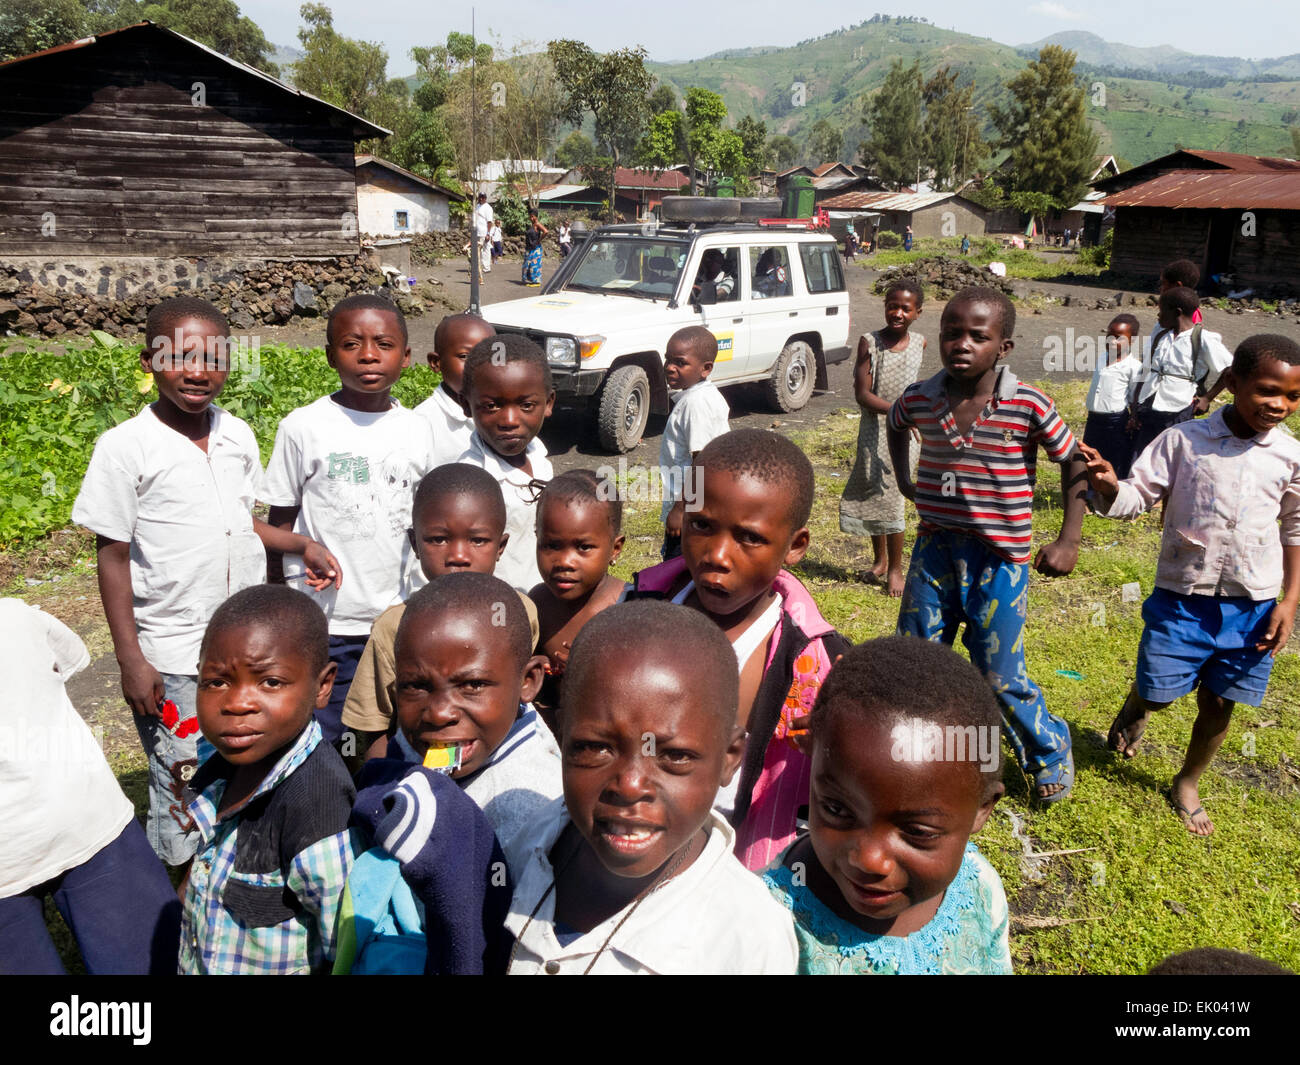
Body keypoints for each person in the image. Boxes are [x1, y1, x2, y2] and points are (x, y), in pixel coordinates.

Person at [71, 296, 339, 871]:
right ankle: (182, 893)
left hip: (238, 646)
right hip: (170, 653)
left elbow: (237, 524)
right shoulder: (125, 447)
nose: (197, 371)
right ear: (149, 361)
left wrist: (299, 543)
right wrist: (130, 659)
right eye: (180, 356)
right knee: (183, 777)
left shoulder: (237, 434)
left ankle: (239, 870)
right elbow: (112, 556)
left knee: (245, 757)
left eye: (212, 356)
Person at [502, 600, 798, 974]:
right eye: (596, 748)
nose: (629, 786)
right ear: (561, 737)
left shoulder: (747, 937)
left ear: (729, 758)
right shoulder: (531, 845)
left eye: (674, 756)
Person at [1080, 334, 1300, 837]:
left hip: (1254, 603)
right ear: (1233, 382)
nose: (1279, 405)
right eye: (1267, 390)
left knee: (1221, 700)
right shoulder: (1183, 441)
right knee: (1160, 691)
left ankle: (1188, 780)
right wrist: (1112, 487)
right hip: (1183, 595)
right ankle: (1142, 701)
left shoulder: (1290, 456)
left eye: (1292, 396)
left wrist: (1289, 600)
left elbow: (1295, 527)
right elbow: (1138, 495)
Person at [887, 286, 1088, 804]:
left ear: (1004, 347)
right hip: (934, 551)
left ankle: (1049, 748)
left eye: (979, 336)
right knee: (917, 661)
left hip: (999, 559)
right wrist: (907, 481)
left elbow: (1074, 460)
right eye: (952, 333)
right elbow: (894, 422)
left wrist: (1068, 538)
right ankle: (923, 755)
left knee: (996, 673)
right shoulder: (920, 397)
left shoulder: (1027, 403)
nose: (962, 344)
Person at [627, 429, 851, 870]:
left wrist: (837, 739)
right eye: (702, 526)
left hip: (733, 864)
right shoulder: (636, 609)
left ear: (795, 546)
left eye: (748, 537)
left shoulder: (813, 664)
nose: (718, 555)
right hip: (629, 839)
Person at [334, 575, 557, 973]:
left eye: (472, 685)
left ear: (528, 681)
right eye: (416, 687)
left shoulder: (530, 807)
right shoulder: (426, 742)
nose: (439, 712)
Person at [763, 636, 1012, 974]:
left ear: (983, 808)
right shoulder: (764, 922)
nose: (869, 860)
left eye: (916, 831)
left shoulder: (980, 890)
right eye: (837, 810)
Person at [262, 295, 436, 743]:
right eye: (351, 344)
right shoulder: (303, 427)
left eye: (384, 343)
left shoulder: (418, 431)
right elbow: (278, 523)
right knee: (330, 735)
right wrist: (281, 606)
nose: (369, 355)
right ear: (329, 355)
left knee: (397, 734)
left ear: (407, 356)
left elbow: (428, 526)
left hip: (399, 618)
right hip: (326, 622)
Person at [181, 586, 358, 974]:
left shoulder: (315, 806)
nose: (237, 703)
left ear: (323, 685)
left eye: (271, 682)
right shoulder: (222, 762)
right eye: (216, 682)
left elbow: (342, 943)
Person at [0, 599, 181, 975]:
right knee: (150, 966)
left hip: (80, 827)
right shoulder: (17, 616)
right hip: (87, 821)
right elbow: (69, 658)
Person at [340, 463, 540, 761]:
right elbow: (366, 727)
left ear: (501, 546)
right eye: (438, 539)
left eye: (477, 540)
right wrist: (379, 787)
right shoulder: (395, 626)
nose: (458, 556)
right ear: (414, 544)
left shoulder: (519, 613)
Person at [840, 279, 927, 598]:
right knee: (875, 489)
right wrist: (899, 409)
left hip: (907, 434)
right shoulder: (870, 342)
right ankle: (879, 559)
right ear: (885, 306)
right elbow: (863, 395)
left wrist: (914, 414)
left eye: (906, 308)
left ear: (918, 312)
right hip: (875, 429)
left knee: (892, 497)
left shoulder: (921, 343)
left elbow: (918, 386)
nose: (898, 312)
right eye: (893, 305)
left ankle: (895, 570)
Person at [457, 334, 556, 593]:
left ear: (549, 403)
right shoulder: (468, 483)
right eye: (491, 406)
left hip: (543, 598)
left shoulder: (540, 460)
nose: (510, 420)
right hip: (496, 608)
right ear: (466, 405)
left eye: (526, 405)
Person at [529, 471, 626, 731]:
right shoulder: (537, 605)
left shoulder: (629, 607)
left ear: (615, 549)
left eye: (583, 547)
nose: (564, 562)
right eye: (550, 545)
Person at [1129, 286, 1232, 465]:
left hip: (1178, 409)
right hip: (1149, 406)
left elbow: (1230, 368)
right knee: (1142, 457)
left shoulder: (1203, 339)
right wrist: (1135, 405)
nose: (1158, 317)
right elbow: (1146, 370)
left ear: (1177, 312)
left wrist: (1207, 398)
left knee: (1171, 459)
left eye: (1161, 312)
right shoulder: (1161, 335)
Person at [659, 326, 731, 561]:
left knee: (678, 568)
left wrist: (680, 510)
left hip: (692, 510)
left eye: (680, 363)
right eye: (668, 359)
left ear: (705, 368)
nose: (670, 367)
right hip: (699, 505)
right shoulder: (703, 396)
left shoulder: (696, 403)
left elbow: (702, 460)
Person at [416, 313, 495, 468]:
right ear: (436, 363)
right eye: (465, 356)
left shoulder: (505, 411)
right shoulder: (422, 424)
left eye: (489, 356)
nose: (479, 366)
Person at [1083, 314, 1142, 481]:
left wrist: (1133, 417)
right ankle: (1090, 493)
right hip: (1094, 418)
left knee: (1113, 458)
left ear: (1132, 341)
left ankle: (1112, 495)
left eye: (1119, 338)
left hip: (1115, 421)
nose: (1112, 341)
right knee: (1090, 456)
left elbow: (1133, 397)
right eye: (1109, 336)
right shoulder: (1102, 357)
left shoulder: (1133, 367)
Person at [1159, 258, 1203, 324]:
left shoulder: (1171, 318)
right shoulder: (1193, 313)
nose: (1161, 288)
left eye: (1164, 283)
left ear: (1177, 286)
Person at [523, 210, 548, 287]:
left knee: (535, 265)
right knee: (527, 264)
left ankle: (536, 282)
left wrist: (539, 240)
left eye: (532, 216)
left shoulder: (537, 224)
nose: (531, 218)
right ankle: (530, 280)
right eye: (530, 216)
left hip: (535, 248)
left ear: (536, 217)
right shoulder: (532, 225)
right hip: (529, 247)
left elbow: (546, 231)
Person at [474, 193, 494, 275]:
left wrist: (488, 234)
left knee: (485, 250)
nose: (481, 199)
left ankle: (486, 268)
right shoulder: (477, 206)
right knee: (478, 250)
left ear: (485, 198)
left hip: (484, 232)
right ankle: (479, 266)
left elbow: (489, 222)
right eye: (480, 197)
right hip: (477, 232)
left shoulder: (488, 208)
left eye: (482, 197)